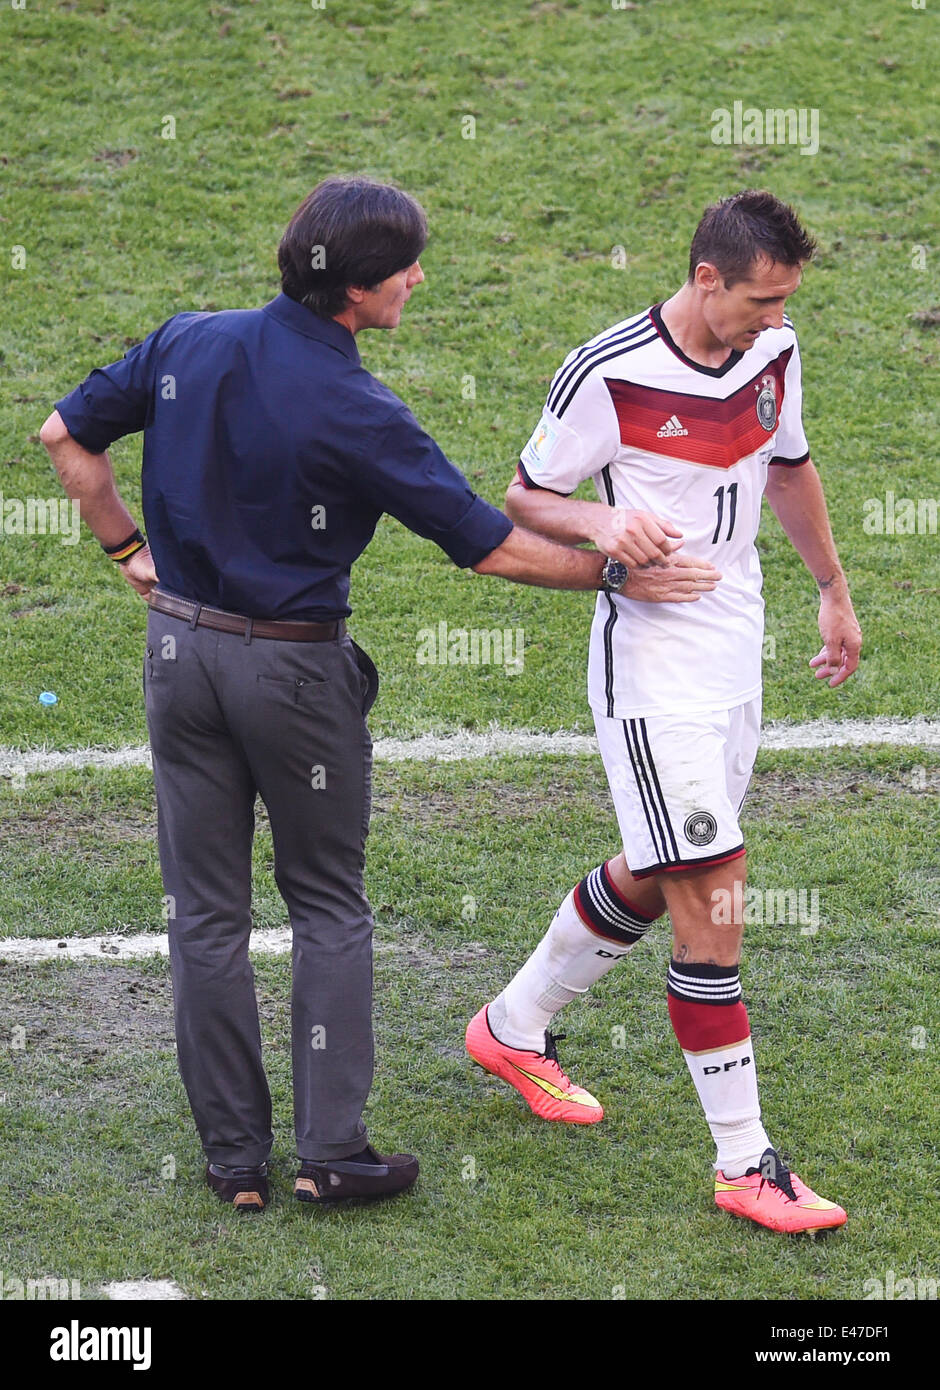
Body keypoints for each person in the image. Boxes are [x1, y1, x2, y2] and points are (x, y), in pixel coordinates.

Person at [39, 176, 719, 1213]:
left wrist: (125, 548)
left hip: (178, 655)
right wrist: (617, 572)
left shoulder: (188, 340)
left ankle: (232, 1161)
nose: (416, 278)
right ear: (356, 292)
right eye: (404, 267)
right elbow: (489, 548)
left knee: (206, 916)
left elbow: (64, 437)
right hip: (292, 675)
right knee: (327, 906)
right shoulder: (357, 408)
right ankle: (330, 1153)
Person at [466, 189, 862, 1234]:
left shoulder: (773, 351)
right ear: (704, 280)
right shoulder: (610, 371)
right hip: (650, 660)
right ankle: (744, 1162)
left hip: (734, 633)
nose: (774, 319)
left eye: (784, 302)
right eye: (759, 300)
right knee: (714, 884)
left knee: (669, 860)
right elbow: (524, 495)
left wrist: (830, 586)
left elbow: (787, 464)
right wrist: (602, 519)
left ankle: (514, 1026)